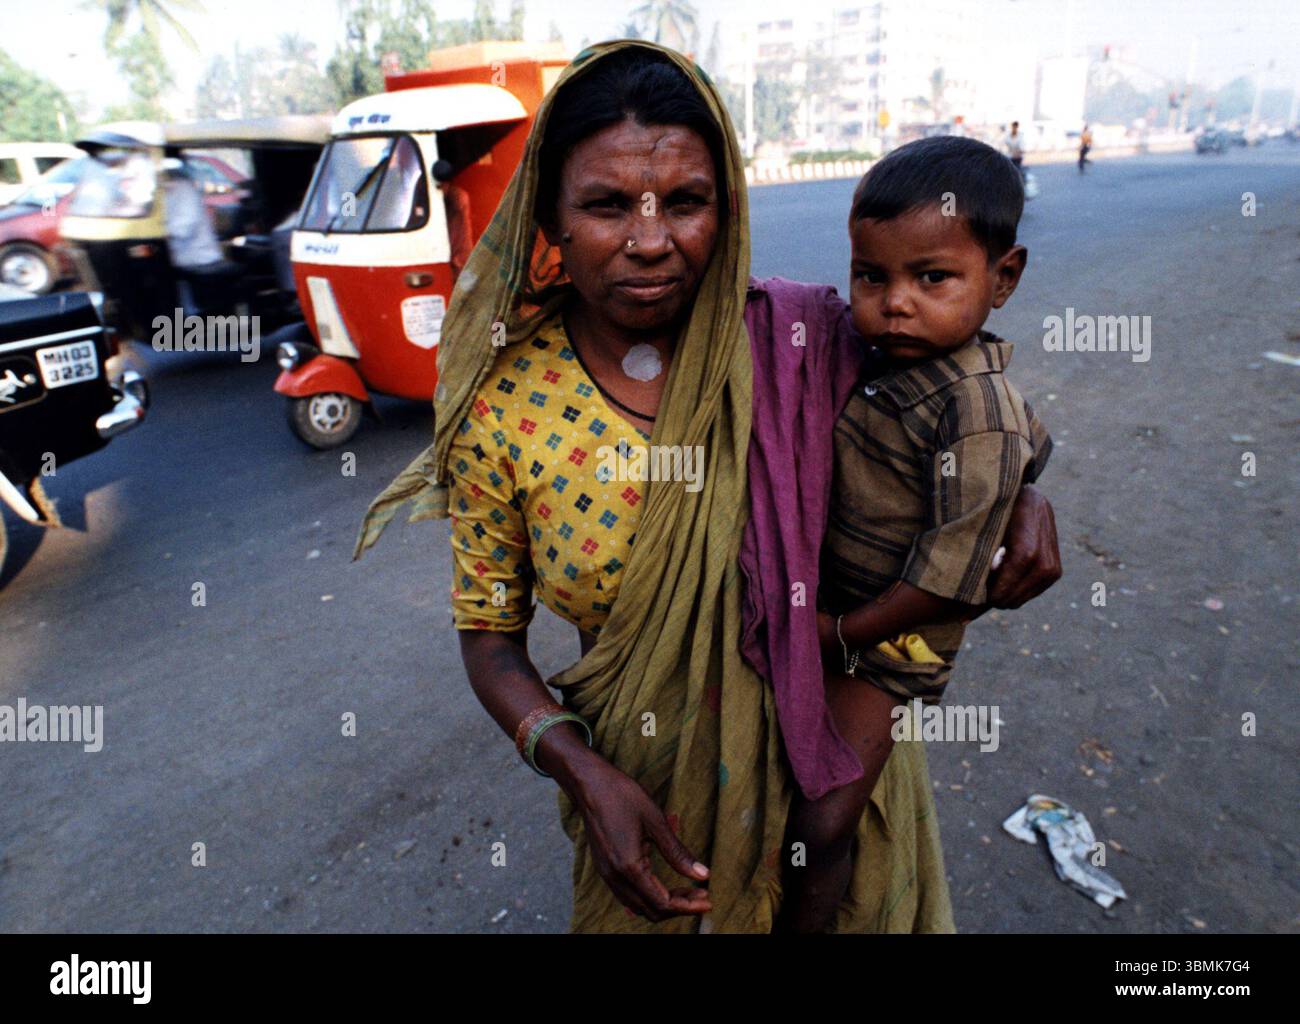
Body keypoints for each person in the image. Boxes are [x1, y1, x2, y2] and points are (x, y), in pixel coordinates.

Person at [354, 40, 1062, 933]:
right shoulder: (507, 411)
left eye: (685, 203)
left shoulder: (804, 336)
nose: (651, 241)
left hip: (833, 767)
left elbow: (957, 400)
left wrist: (1023, 491)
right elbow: (491, 646)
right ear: (551, 217)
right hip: (649, 810)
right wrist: (580, 768)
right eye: (608, 205)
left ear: (724, 210)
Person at [776, 136, 1052, 930]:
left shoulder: (975, 408)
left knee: (824, 813)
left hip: (894, 641)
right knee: (789, 770)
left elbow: (946, 582)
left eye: (932, 277)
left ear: (1003, 279)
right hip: (836, 610)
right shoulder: (887, 353)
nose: (895, 302)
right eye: (872, 276)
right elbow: (1038, 448)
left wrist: (835, 635)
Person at [431, 158, 473, 283]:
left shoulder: (458, 197)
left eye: (442, 185)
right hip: (453, 260)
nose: (440, 189)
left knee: (466, 288)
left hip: (460, 260)